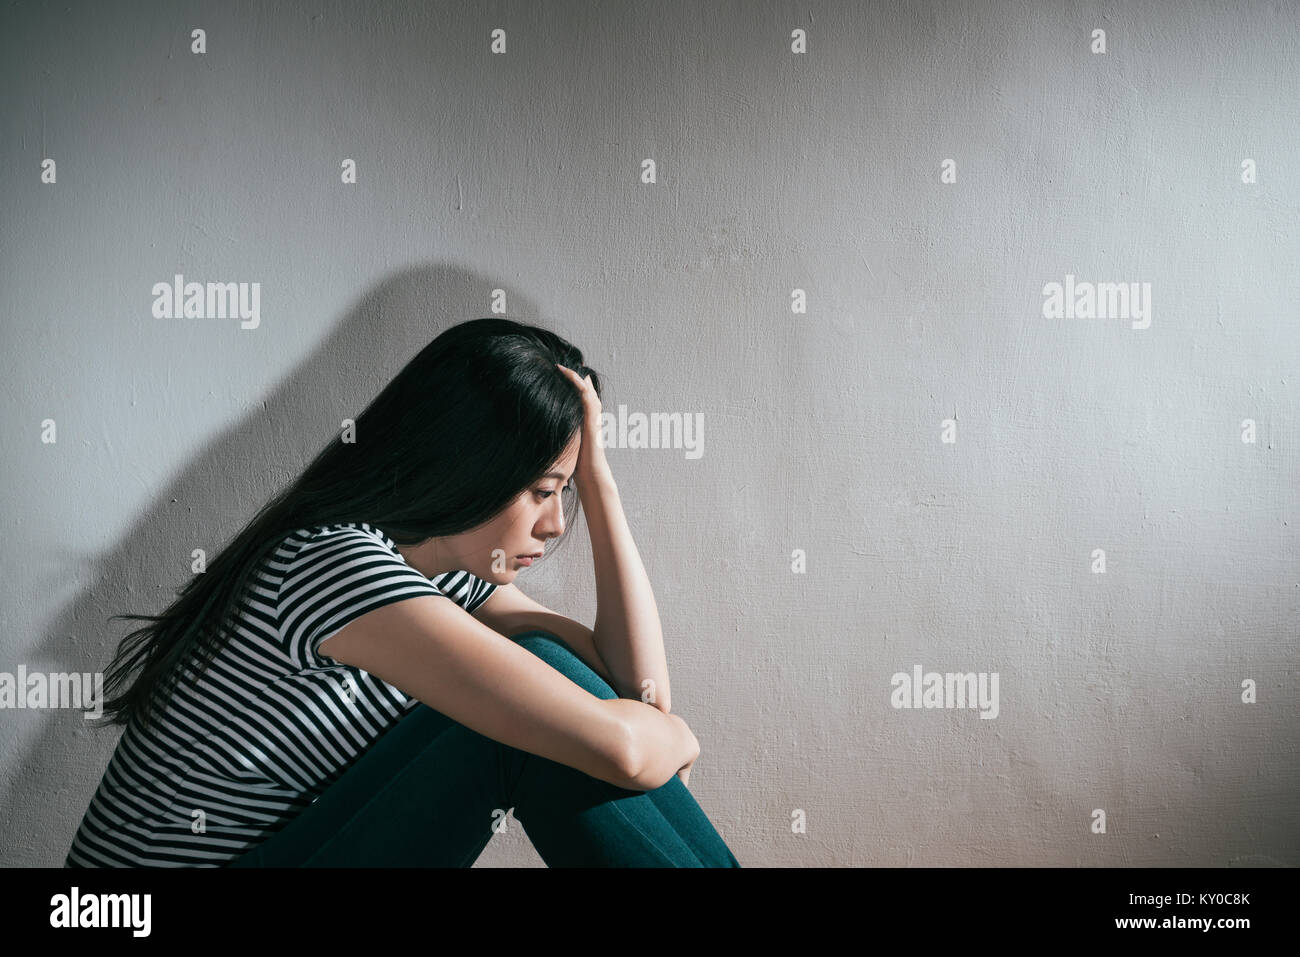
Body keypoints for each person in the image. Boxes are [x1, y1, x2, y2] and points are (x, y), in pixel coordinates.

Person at [64, 316, 740, 867]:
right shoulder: (335, 566)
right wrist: (674, 737)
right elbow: (625, 744)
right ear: (470, 465)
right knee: (522, 724)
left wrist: (601, 480)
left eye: (566, 492)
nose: (556, 523)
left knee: (549, 683)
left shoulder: (440, 579)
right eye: (542, 491)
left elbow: (634, 693)